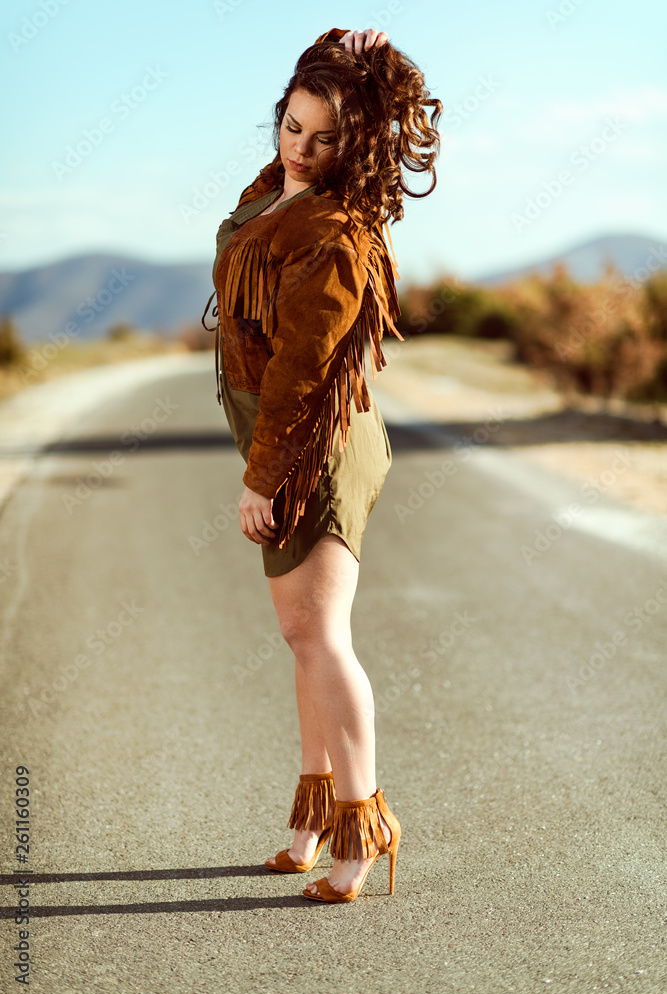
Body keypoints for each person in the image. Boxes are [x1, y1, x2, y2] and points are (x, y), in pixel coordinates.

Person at [203, 26, 441, 902]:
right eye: (291, 126)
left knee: (318, 636)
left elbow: (303, 377)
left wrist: (261, 480)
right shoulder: (277, 191)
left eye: (325, 138)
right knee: (301, 638)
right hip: (290, 438)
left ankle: (360, 825)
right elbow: (328, 83)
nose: (300, 149)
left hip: (314, 446)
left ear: (358, 144)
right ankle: (310, 821)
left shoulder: (336, 233)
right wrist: (347, 48)